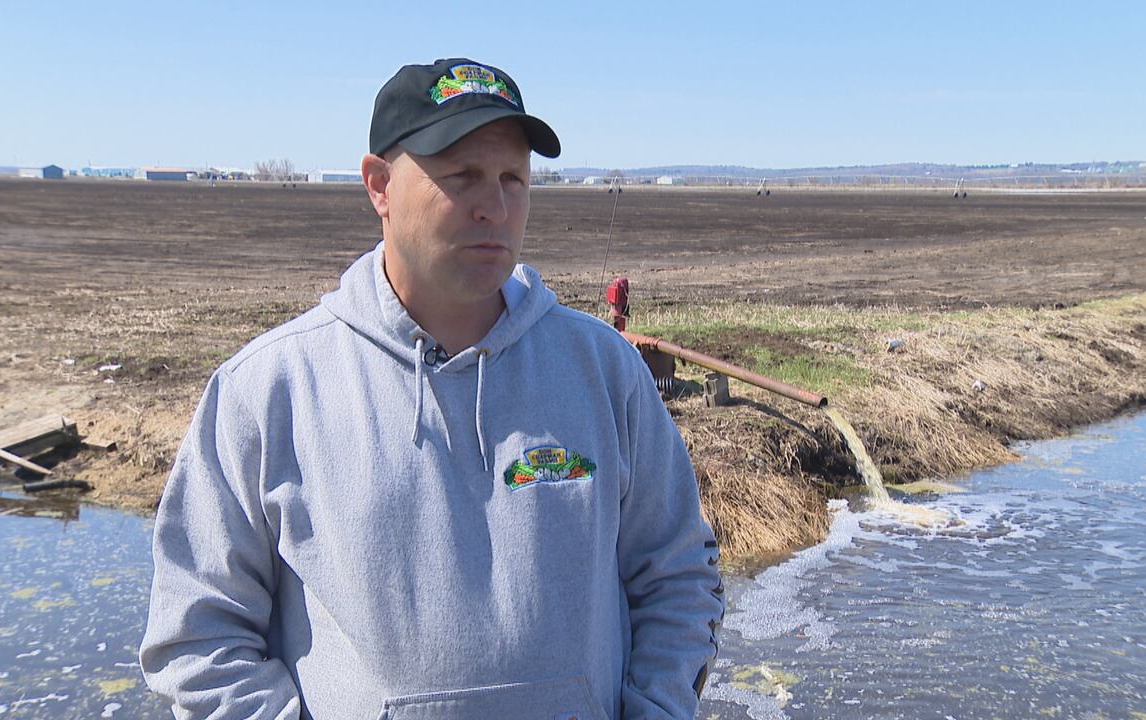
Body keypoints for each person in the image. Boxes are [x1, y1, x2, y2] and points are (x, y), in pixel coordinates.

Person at [140, 57, 724, 719]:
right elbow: (198, 635)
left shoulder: (603, 370)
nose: (495, 207)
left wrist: (657, 708)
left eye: (513, 178)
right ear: (379, 186)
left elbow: (680, 578)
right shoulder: (269, 391)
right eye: (462, 176)